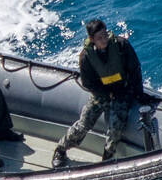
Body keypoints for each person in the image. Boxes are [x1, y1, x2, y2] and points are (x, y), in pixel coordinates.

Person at [52, 19, 143, 168]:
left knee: (115, 127)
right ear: (92, 39)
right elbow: (88, 83)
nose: (104, 40)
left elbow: (135, 69)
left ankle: (106, 158)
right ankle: (60, 149)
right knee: (83, 124)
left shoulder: (121, 46)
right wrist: (106, 94)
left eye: (105, 35)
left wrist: (138, 93)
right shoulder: (86, 57)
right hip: (101, 94)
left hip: (122, 91)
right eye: (99, 38)